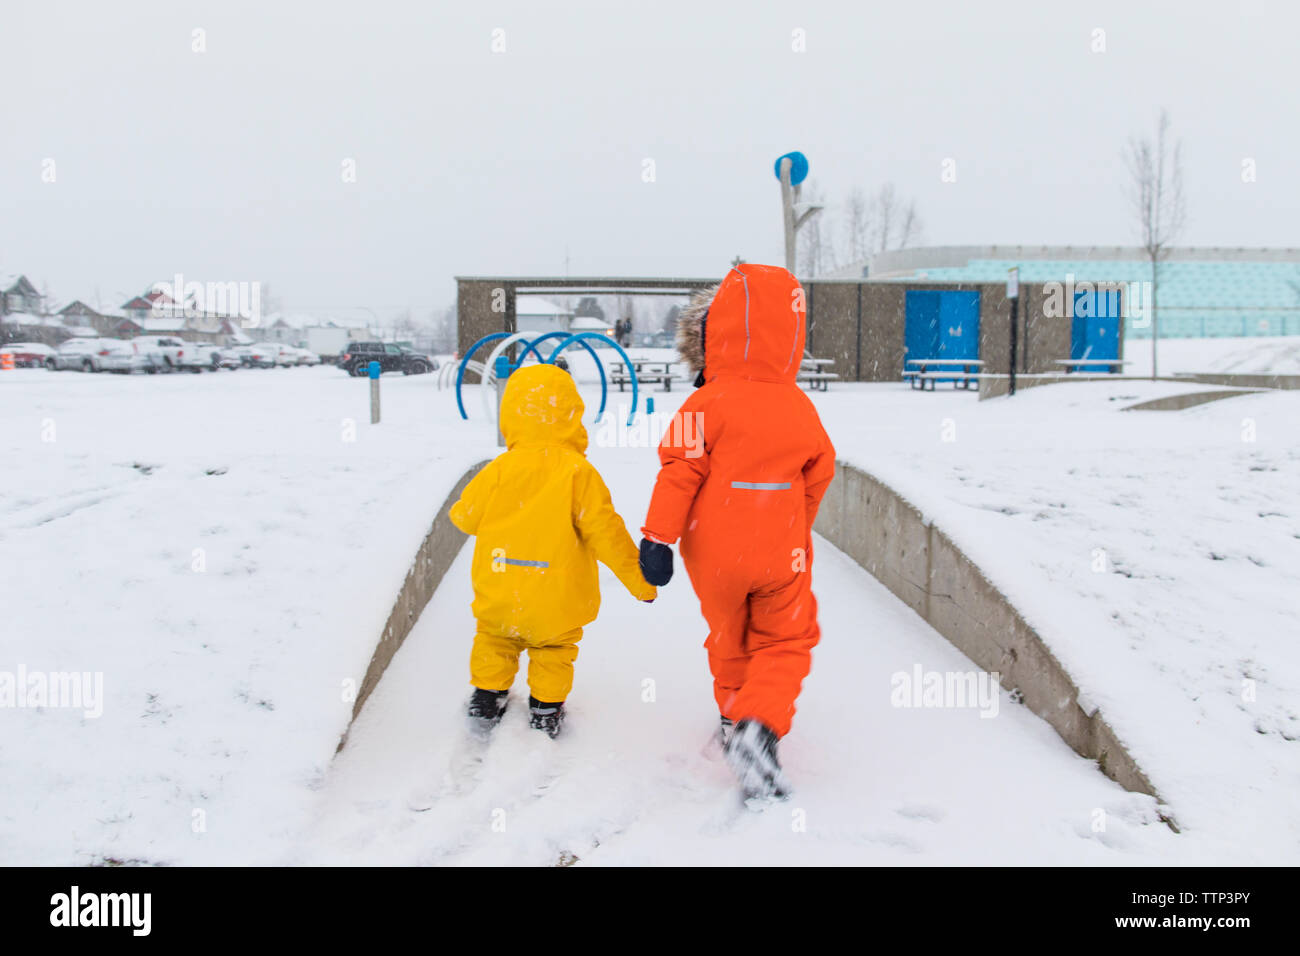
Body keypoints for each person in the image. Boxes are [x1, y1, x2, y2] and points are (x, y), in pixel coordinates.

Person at [638, 264, 835, 800]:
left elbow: (678, 471)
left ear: (716, 333)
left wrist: (657, 539)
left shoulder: (703, 403)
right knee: (787, 639)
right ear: (791, 334)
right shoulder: (801, 408)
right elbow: (817, 477)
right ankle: (760, 722)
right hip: (781, 551)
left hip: (714, 551)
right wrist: (794, 524)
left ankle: (732, 719)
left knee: (728, 636)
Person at [449, 363, 657, 738]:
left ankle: (486, 695)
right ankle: (545, 708)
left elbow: (464, 517)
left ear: (512, 415)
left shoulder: (499, 469)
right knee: (553, 649)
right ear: (571, 415)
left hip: (501, 588)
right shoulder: (578, 473)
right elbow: (606, 532)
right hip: (557, 594)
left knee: (495, 639)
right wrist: (640, 582)